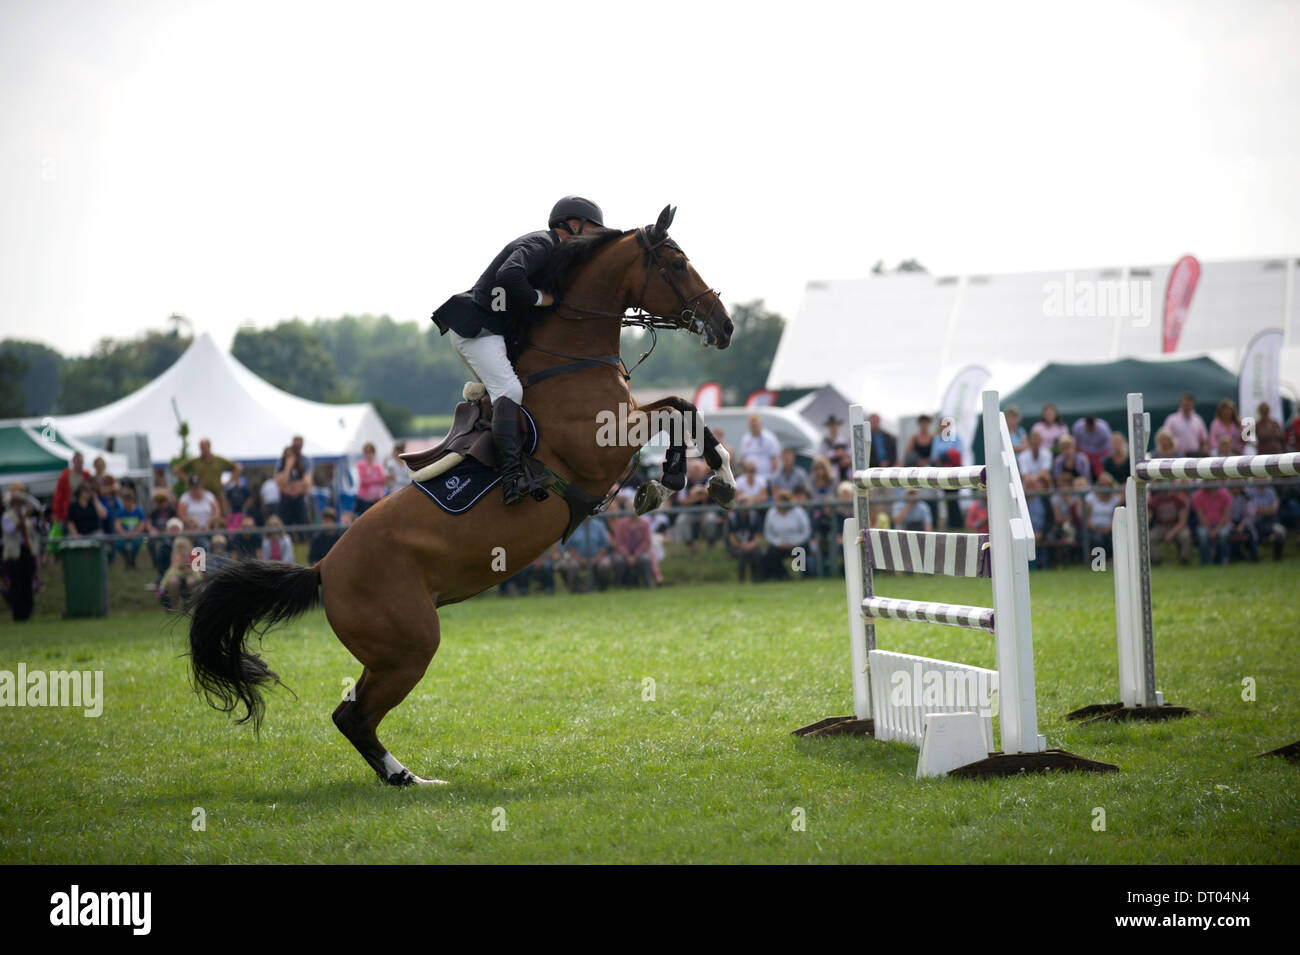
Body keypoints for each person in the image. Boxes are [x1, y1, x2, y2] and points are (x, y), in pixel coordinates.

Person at [430, 196, 606, 504]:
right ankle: (512, 478)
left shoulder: (552, 253)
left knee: (526, 387)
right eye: (590, 229)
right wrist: (541, 298)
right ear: (571, 224)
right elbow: (508, 276)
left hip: (493, 333)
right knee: (509, 391)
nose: (591, 238)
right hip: (479, 329)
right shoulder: (541, 243)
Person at [2, 483, 40, 621]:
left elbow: (35, 530)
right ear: (13, 503)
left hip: (27, 552)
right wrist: (22, 518)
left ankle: (28, 612)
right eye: (17, 502)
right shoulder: (7, 516)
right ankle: (18, 614)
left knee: (27, 583)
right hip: (14, 554)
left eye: (21, 502)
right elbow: (11, 530)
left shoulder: (28, 517)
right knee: (16, 584)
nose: (20, 505)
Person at [174, 439, 241, 518]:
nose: (202, 450)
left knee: (222, 516)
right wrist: (188, 480)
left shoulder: (218, 461)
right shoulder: (195, 461)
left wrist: (228, 482)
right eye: (201, 448)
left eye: (204, 447)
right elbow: (176, 469)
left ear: (209, 447)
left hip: (217, 493)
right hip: (200, 495)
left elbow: (238, 468)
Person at [762, 490, 811, 580]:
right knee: (771, 553)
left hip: (797, 543)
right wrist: (779, 543)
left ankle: (804, 575)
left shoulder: (799, 512)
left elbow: (806, 531)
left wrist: (795, 542)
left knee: (802, 550)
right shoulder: (771, 513)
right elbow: (768, 533)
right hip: (779, 545)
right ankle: (783, 576)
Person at [558, 517, 612, 593]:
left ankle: (602, 588)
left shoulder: (599, 525)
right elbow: (569, 546)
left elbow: (605, 545)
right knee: (573, 566)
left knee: (605, 564)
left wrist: (595, 559)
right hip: (576, 558)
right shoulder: (573, 526)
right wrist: (580, 559)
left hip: (597, 557)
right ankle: (574, 590)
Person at [275, 438, 313, 531]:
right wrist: (288, 466)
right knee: (285, 526)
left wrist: (290, 486)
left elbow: (307, 482)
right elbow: (279, 482)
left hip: (299, 499)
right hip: (285, 500)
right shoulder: (281, 463)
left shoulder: (305, 461)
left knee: (302, 527)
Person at [51, 452, 91, 533]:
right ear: (73, 461)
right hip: (68, 509)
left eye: (81, 461)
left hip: (82, 509)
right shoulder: (65, 475)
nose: (79, 463)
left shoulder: (86, 475)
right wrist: (56, 512)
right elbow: (58, 495)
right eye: (77, 461)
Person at [739, 414, 781, 482]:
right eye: (752, 425)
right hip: (750, 479)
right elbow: (743, 459)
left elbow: (774, 460)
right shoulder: (746, 439)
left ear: (761, 424)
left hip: (766, 477)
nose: (754, 427)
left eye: (756, 425)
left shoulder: (769, 438)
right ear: (749, 426)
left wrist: (772, 477)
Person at [114, 487, 148, 569]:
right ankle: (127, 560)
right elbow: (117, 525)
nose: (126, 503)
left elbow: (143, 524)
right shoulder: (120, 511)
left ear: (132, 500)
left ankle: (132, 560)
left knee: (136, 544)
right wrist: (124, 533)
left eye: (128, 500)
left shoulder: (139, 510)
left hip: (136, 535)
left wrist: (135, 533)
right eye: (124, 501)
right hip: (124, 535)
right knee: (119, 545)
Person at [355, 443, 385, 515]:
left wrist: (370, 479)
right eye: (367, 452)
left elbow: (383, 479)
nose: (369, 454)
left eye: (371, 452)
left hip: (377, 498)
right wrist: (376, 479)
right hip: (365, 499)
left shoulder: (377, 465)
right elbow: (364, 480)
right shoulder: (361, 464)